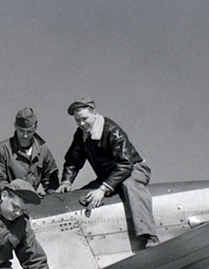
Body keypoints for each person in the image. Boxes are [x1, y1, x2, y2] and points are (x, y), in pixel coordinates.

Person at [58, 98, 159, 250]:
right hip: (109, 176)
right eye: (77, 120)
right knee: (82, 196)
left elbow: (125, 164)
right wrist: (66, 182)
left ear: (94, 113)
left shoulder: (112, 130)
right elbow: (73, 161)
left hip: (133, 169)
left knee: (130, 185)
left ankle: (149, 236)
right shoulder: (81, 135)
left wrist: (103, 189)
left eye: (84, 119)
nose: (81, 124)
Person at [0, 107, 60, 196]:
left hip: (34, 202)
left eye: (29, 131)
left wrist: (54, 197)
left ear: (36, 127)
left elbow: (50, 177)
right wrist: (17, 194)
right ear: (15, 126)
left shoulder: (43, 150)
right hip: (11, 202)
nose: (25, 135)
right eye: (21, 131)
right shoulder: (2, 150)